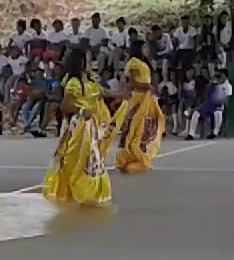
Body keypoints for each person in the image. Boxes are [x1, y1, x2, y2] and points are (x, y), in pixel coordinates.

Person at [43, 48, 117, 206]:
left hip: (91, 126)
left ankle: (86, 190)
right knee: (73, 158)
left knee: (89, 160)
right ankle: (73, 189)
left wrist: (121, 95)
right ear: (81, 62)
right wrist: (81, 110)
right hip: (79, 126)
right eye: (88, 59)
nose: (91, 63)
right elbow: (65, 105)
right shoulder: (74, 83)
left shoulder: (91, 81)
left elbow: (103, 92)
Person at [112, 42, 165, 174]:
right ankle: (129, 156)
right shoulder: (134, 62)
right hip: (138, 98)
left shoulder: (143, 62)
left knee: (145, 127)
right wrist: (147, 86)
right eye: (145, 47)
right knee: (134, 128)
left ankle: (139, 156)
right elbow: (133, 82)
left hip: (146, 98)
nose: (147, 49)